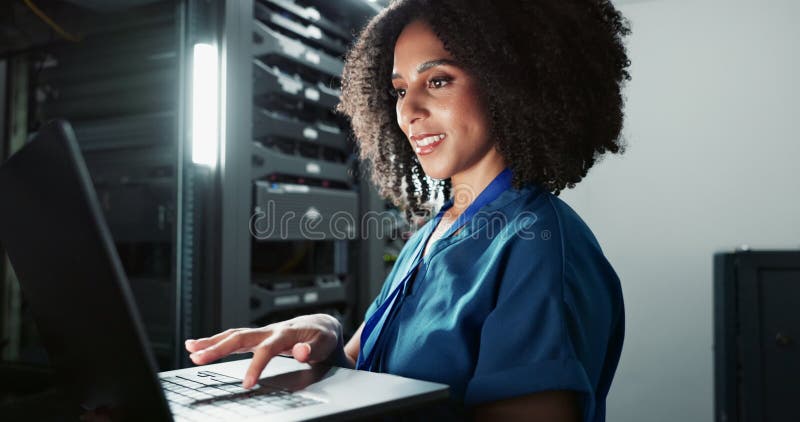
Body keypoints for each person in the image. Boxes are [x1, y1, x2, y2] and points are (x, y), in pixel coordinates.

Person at [185, 0, 631, 420]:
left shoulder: (540, 246)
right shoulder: (430, 237)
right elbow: (368, 376)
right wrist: (326, 333)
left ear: (513, 82)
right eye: (399, 90)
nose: (408, 111)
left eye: (437, 81)